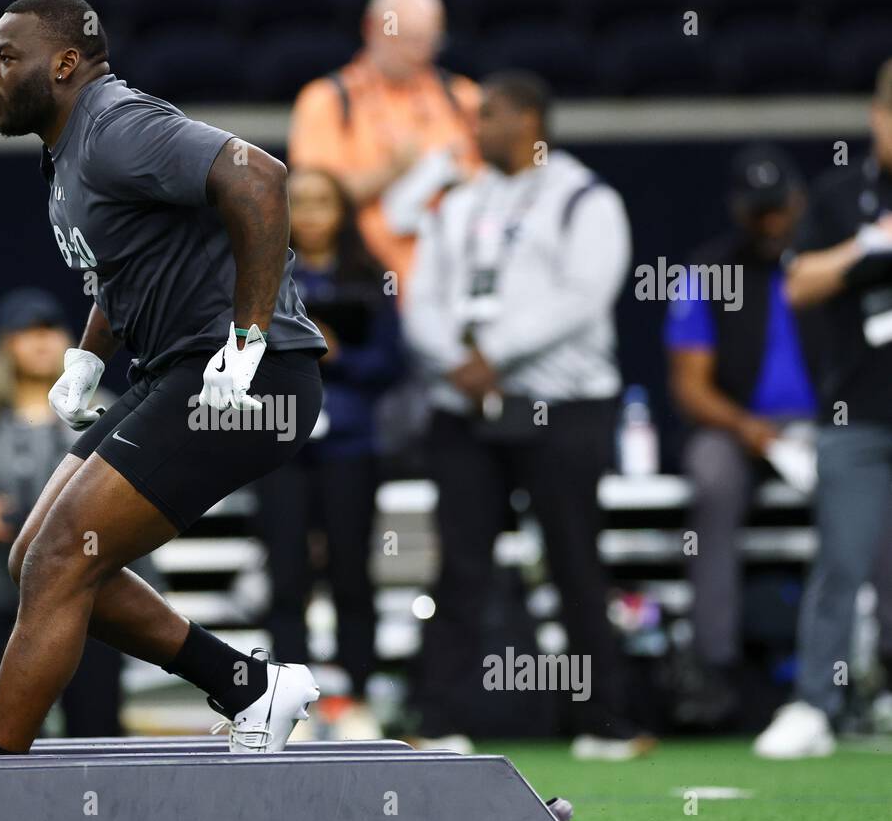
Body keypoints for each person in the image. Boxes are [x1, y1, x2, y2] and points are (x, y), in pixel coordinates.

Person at [0, 0, 327, 755]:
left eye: (7, 56)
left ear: (65, 63)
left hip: (246, 381)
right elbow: (132, 263)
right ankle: (250, 687)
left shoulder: (116, 125)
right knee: (33, 557)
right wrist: (90, 355)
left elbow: (261, 178)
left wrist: (249, 337)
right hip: (174, 370)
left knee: (61, 557)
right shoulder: (67, 146)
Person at [404, 71, 649, 759]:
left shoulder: (585, 197)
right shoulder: (455, 202)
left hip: (561, 406)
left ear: (531, 120)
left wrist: (497, 356)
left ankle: (603, 721)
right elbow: (420, 297)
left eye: (490, 115)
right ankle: (444, 719)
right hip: (465, 404)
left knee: (574, 560)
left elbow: (584, 296)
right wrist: (458, 361)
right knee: (460, 563)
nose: (475, 128)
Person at [0, 288, 161, 736]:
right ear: (4, 346)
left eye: (50, 331)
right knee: (8, 731)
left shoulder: (107, 409)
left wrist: (148, 593)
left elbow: (141, 502)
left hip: (93, 597)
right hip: (4, 598)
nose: (41, 343)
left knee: (96, 729)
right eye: (26, 333)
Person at [755, 58, 892, 758]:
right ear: (878, 117)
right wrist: (872, 244)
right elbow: (800, 284)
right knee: (841, 558)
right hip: (859, 411)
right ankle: (814, 701)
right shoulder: (840, 196)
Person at [666, 144, 829, 727]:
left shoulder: (828, 265)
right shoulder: (706, 273)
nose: (771, 223)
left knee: (870, 481)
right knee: (710, 479)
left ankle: (874, 667)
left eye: (778, 209)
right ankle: (714, 665)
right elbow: (689, 385)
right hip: (736, 427)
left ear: (798, 203)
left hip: (826, 425)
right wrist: (747, 428)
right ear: (738, 210)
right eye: (759, 211)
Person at [254, 167, 403, 739]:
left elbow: (392, 364)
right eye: (302, 202)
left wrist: (336, 355)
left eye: (325, 201)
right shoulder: (260, 273)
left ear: (343, 212)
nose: (313, 214)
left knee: (351, 568)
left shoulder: (371, 279)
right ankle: (286, 694)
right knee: (286, 570)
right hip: (280, 442)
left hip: (350, 444)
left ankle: (357, 693)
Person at [288, 0, 480, 290]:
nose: (418, 53)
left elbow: (499, 187)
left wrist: (464, 178)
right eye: (407, 40)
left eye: (429, 41)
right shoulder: (326, 100)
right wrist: (391, 172)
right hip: (361, 282)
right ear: (372, 28)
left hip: (452, 279)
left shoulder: (463, 97)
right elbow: (310, 201)